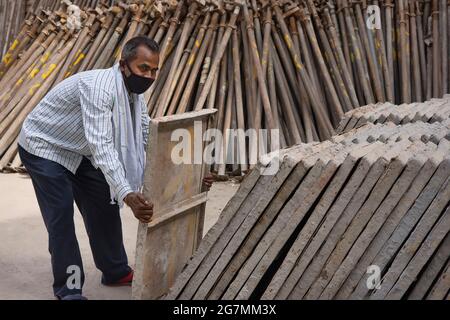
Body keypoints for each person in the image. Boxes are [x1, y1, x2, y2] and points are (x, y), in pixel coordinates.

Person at [17, 36, 213, 300]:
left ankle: (115, 270)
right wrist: (126, 192)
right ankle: (69, 288)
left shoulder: (134, 95)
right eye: (144, 68)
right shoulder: (100, 88)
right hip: (45, 146)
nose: (150, 76)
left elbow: (148, 136)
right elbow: (102, 145)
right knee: (61, 216)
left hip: (81, 150)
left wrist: (192, 170)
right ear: (123, 65)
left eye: (155, 70)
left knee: (104, 204)